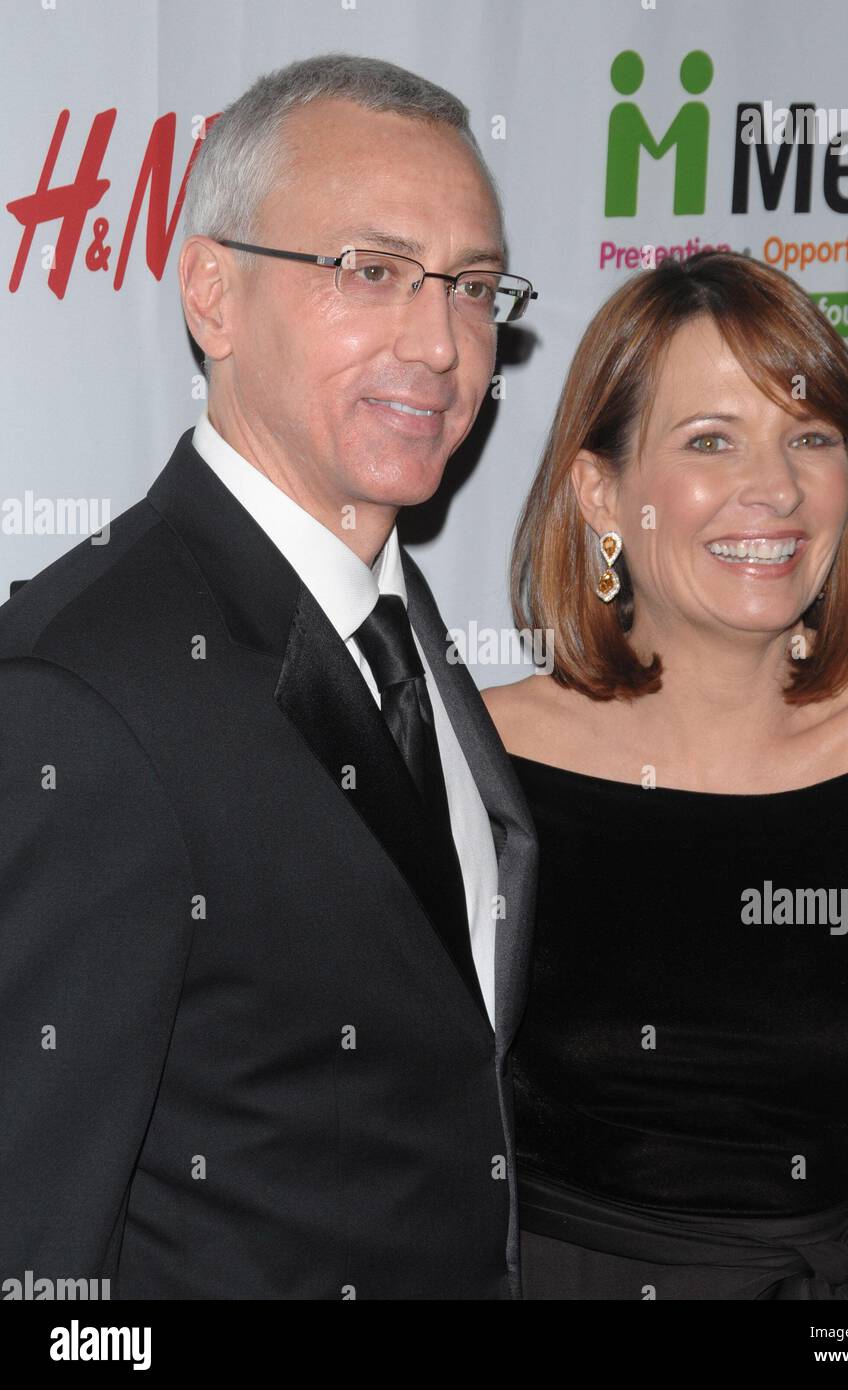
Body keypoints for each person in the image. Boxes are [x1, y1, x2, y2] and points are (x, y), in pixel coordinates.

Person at [0, 53, 539, 1300]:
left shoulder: (400, 628)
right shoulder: (76, 688)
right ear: (212, 294)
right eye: (372, 270)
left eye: (471, 286)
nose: (443, 340)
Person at [482, 250, 848, 1300]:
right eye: (711, 440)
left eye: (811, 437)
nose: (776, 488)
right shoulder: (479, 760)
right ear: (602, 492)